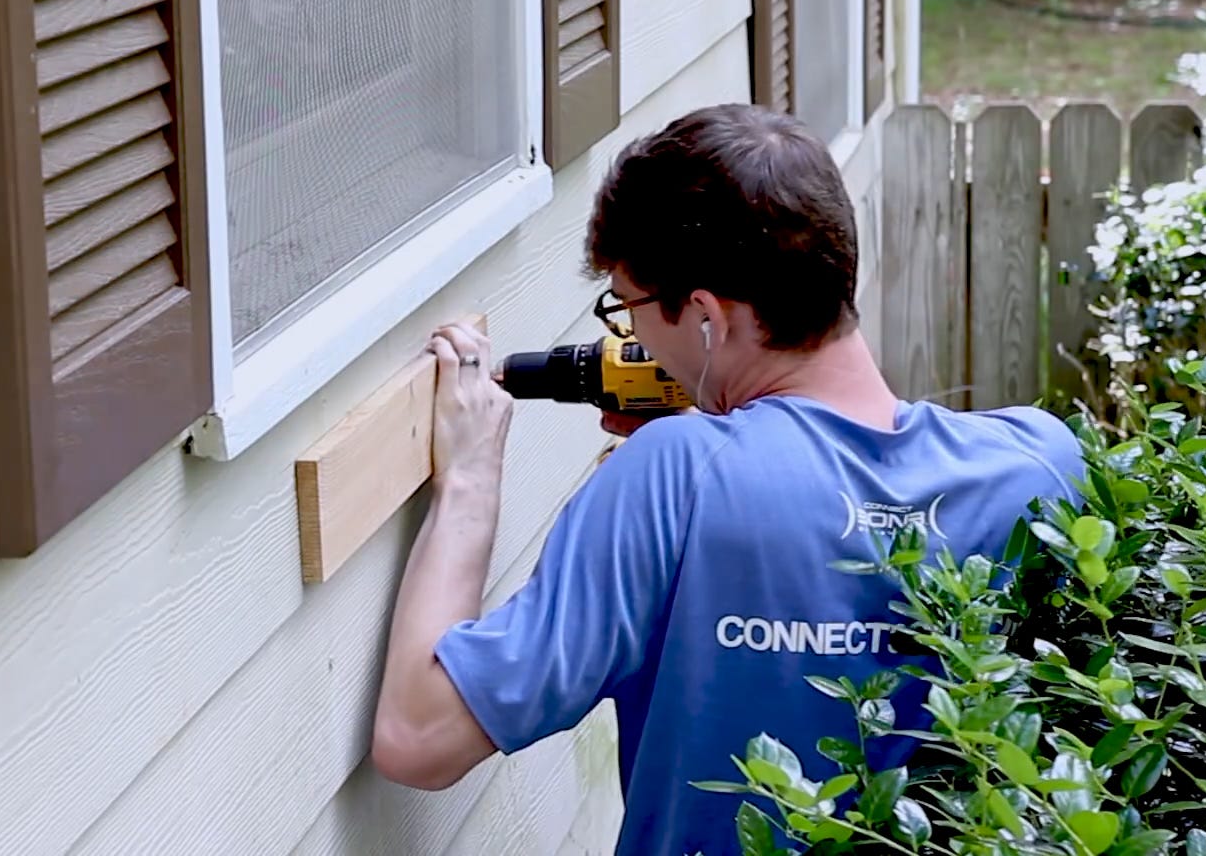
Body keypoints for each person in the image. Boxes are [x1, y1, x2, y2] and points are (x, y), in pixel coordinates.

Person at [368, 104, 1085, 856]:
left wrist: (472, 479)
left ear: (706, 316)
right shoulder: (1038, 462)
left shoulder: (672, 475)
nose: (630, 336)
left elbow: (420, 737)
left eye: (629, 307)